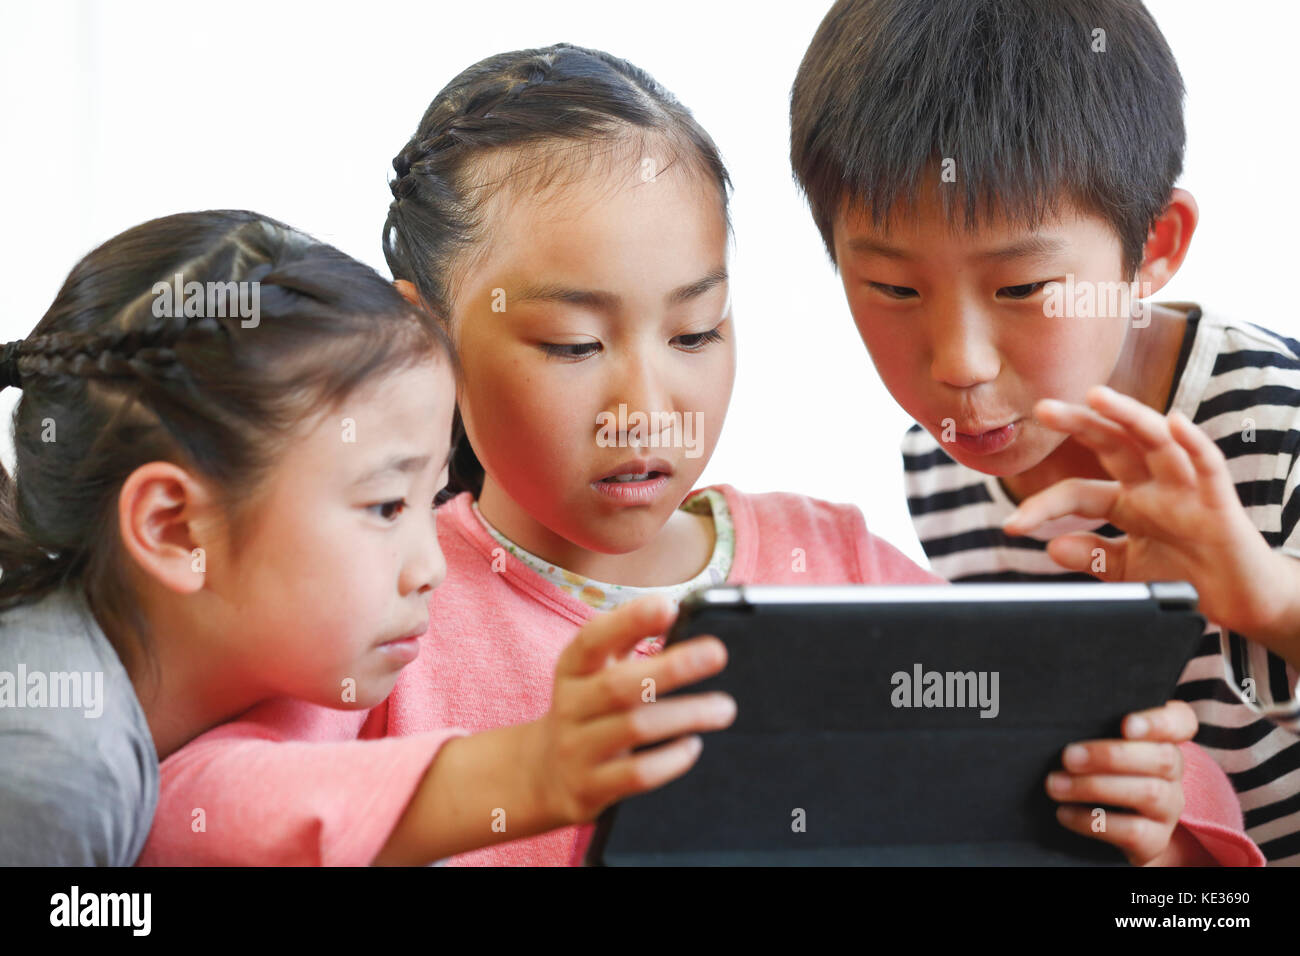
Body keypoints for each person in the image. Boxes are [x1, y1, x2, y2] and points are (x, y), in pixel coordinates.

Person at [140, 44, 1258, 866]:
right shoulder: (393, 596)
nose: (646, 403)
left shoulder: (828, 557)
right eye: (572, 342)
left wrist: (1149, 820)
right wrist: (527, 778)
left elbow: (1115, 759)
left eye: (695, 332)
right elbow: (183, 806)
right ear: (426, 334)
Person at [0, 209, 734, 865]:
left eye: (434, 496)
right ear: (173, 527)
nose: (432, 568)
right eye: (386, 506)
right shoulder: (53, 767)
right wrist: (531, 769)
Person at [789, 0, 1296, 861]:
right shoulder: (943, 465)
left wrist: (1269, 599)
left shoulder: (1269, 424)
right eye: (894, 289)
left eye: (1022, 289)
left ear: (1156, 243)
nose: (960, 365)